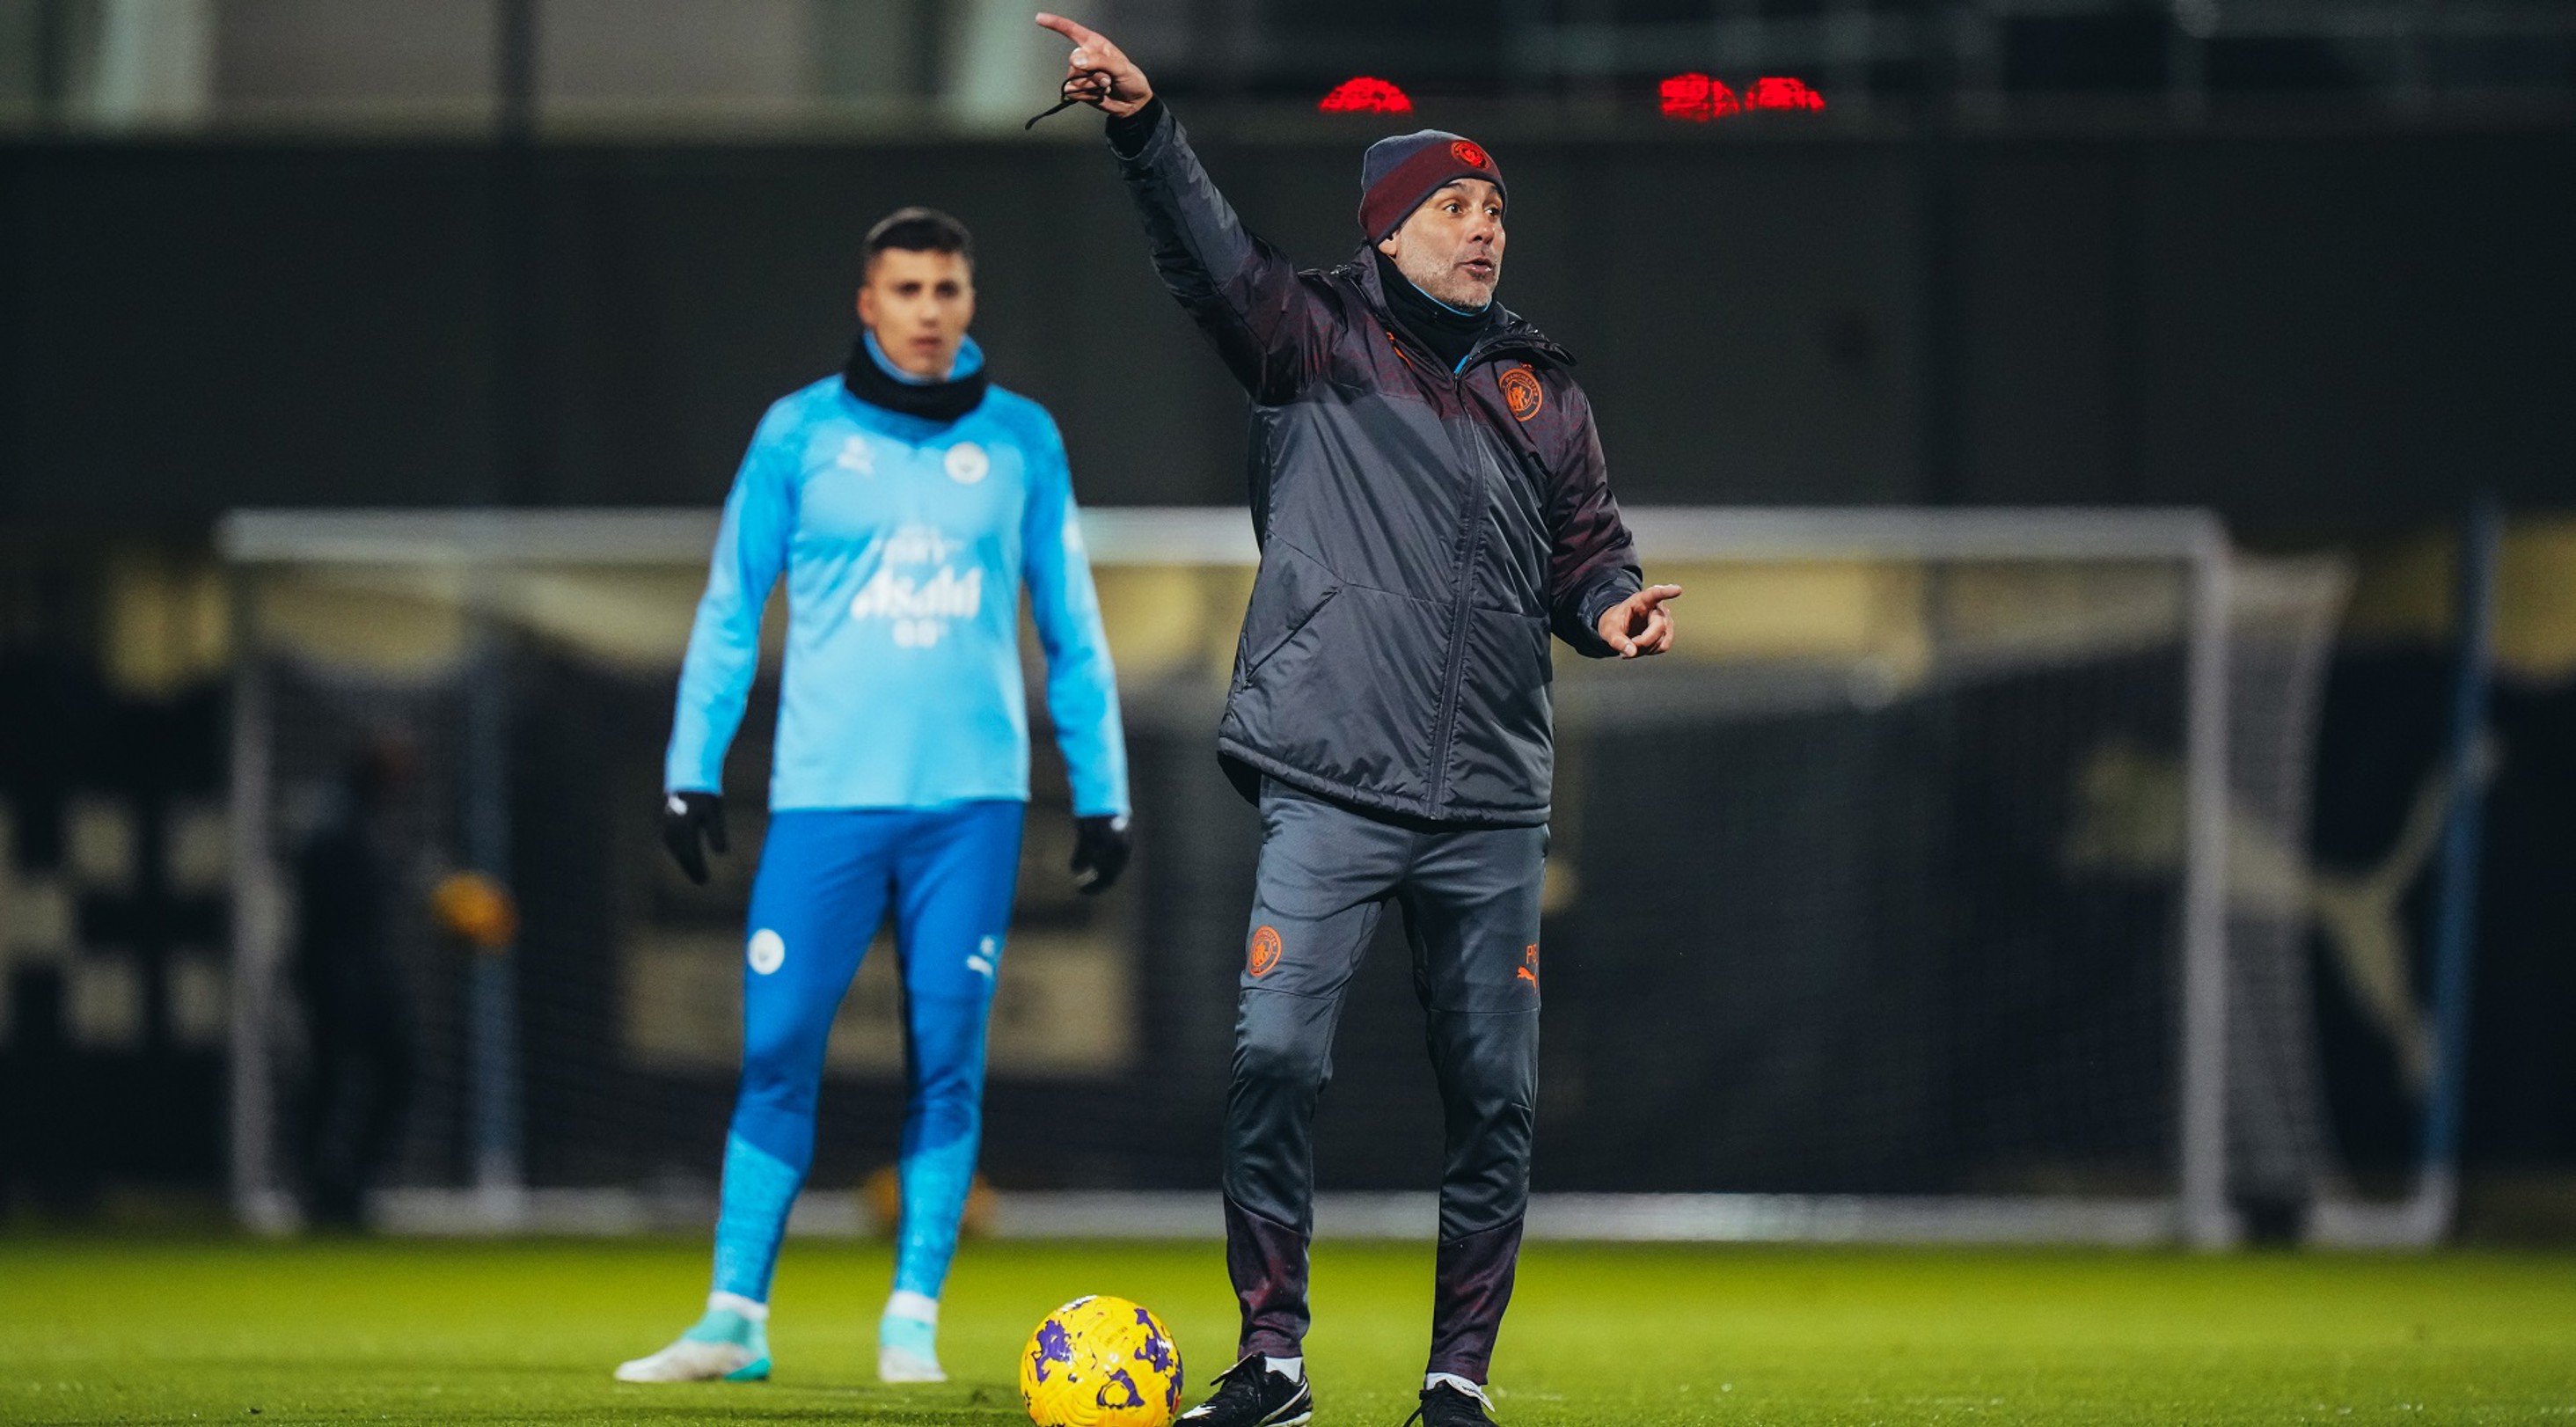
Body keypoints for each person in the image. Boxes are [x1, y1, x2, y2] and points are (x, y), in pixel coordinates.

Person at [1036, 15, 1681, 1427]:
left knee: (1496, 1100)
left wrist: (1614, 603)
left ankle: (1459, 1374)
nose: (1483, 226)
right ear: (1388, 232)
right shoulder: (1311, 337)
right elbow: (1205, 249)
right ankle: (1272, 1358)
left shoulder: (1543, 388)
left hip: (1492, 796)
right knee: (1274, 1054)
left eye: (1496, 206)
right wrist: (1143, 124)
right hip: (1331, 775)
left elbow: (1587, 549)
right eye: (1453, 205)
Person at [615, 206, 1133, 1387]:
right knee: (780, 1044)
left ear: (969, 301)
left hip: (972, 805)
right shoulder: (797, 435)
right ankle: (734, 1316)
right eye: (907, 289)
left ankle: (912, 1320)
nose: (929, 311)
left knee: (946, 1056)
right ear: (868, 301)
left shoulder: (1022, 441)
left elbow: (1074, 628)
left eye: (948, 288)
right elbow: (730, 607)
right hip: (825, 803)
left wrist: (1103, 790)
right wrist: (692, 766)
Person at [291, 738, 420, 1231]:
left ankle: (347, 1181)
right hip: (334, 967)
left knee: (396, 1066)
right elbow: (331, 900)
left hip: (362, 965)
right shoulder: (333, 818)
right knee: (330, 1074)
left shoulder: (367, 819)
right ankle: (322, 1187)